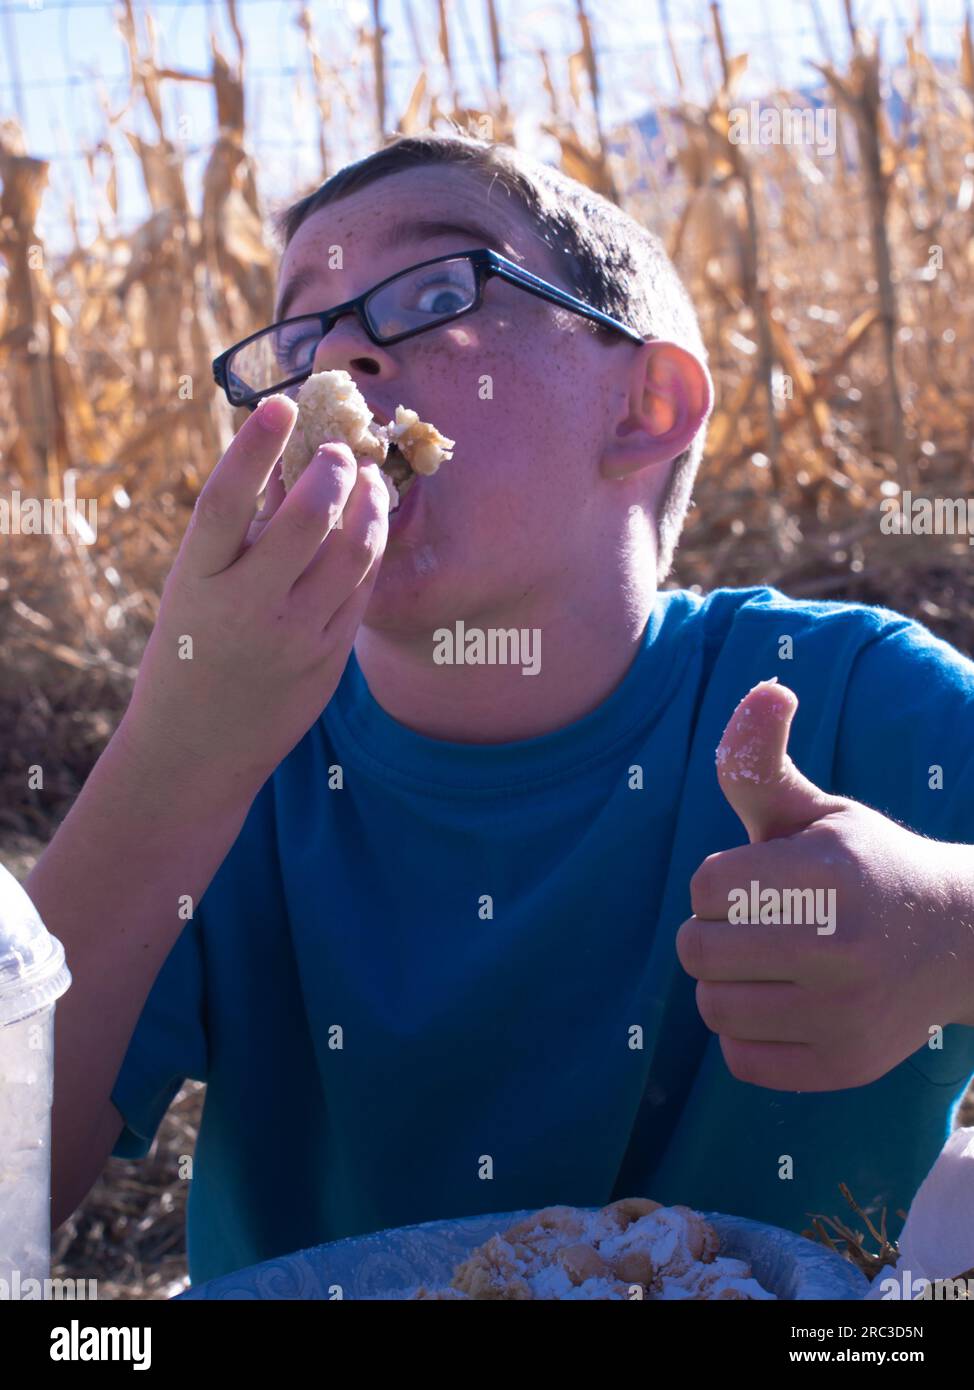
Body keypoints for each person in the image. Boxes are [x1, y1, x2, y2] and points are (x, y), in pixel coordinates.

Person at [30, 135, 974, 1288]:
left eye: (434, 291)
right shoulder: (236, 758)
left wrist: (947, 930)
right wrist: (174, 747)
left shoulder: (861, 704)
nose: (337, 356)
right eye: (296, 338)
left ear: (644, 402)